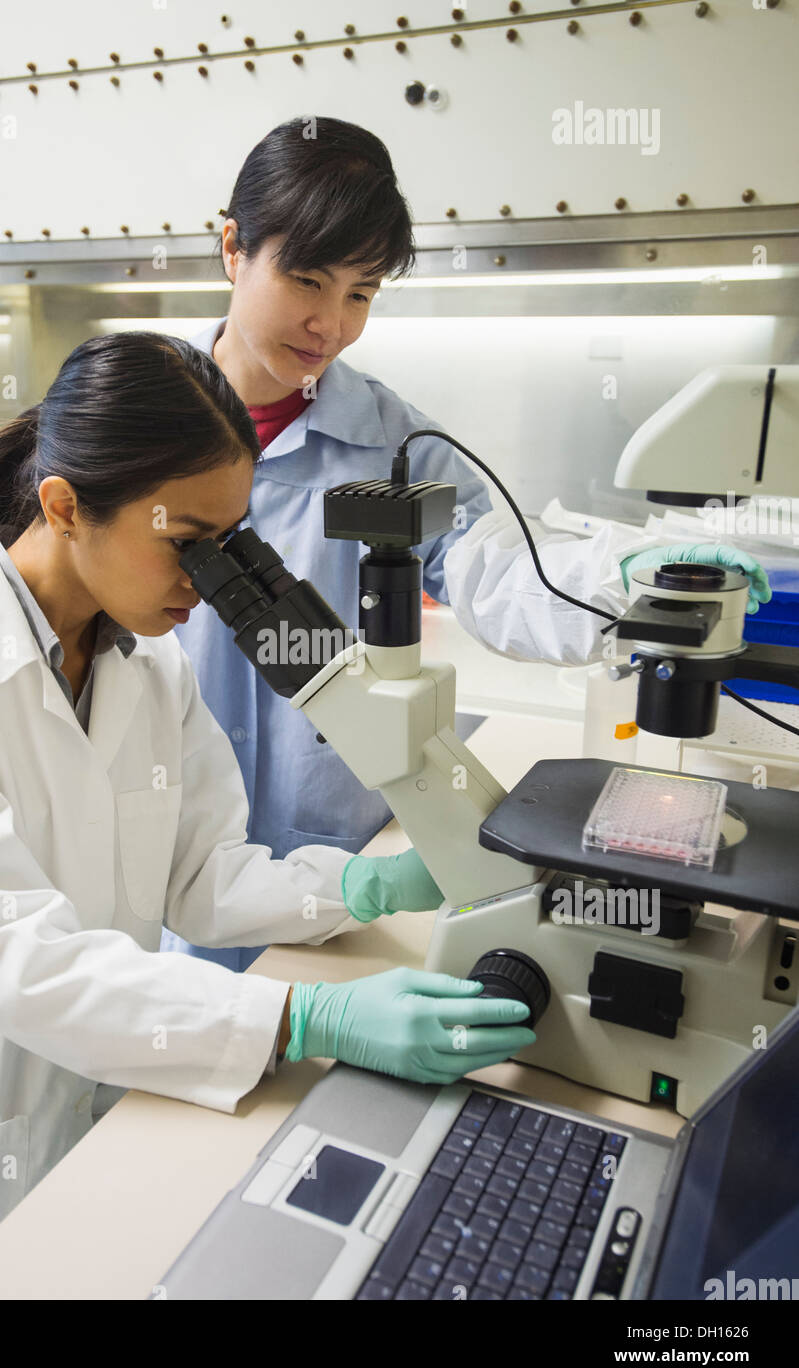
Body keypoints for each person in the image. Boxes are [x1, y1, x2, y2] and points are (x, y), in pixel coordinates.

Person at [0, 332, 537, 1298]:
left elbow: (198, 877)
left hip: (88, 1139)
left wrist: (366, 885)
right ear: (65, 506)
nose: (213, 581)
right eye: (189, 544)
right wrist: (306, 1015)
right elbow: (13, 958)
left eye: (233, 541)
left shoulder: (148, 661)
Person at [161, 115, 772, 974]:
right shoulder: (131, 419)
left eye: (361, 293)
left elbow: (495, 565)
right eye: (306, 279)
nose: (329, 324)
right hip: (150, 841)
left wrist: (627, 576)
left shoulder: (393, 444)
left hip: (333, 863)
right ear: (232, 248)